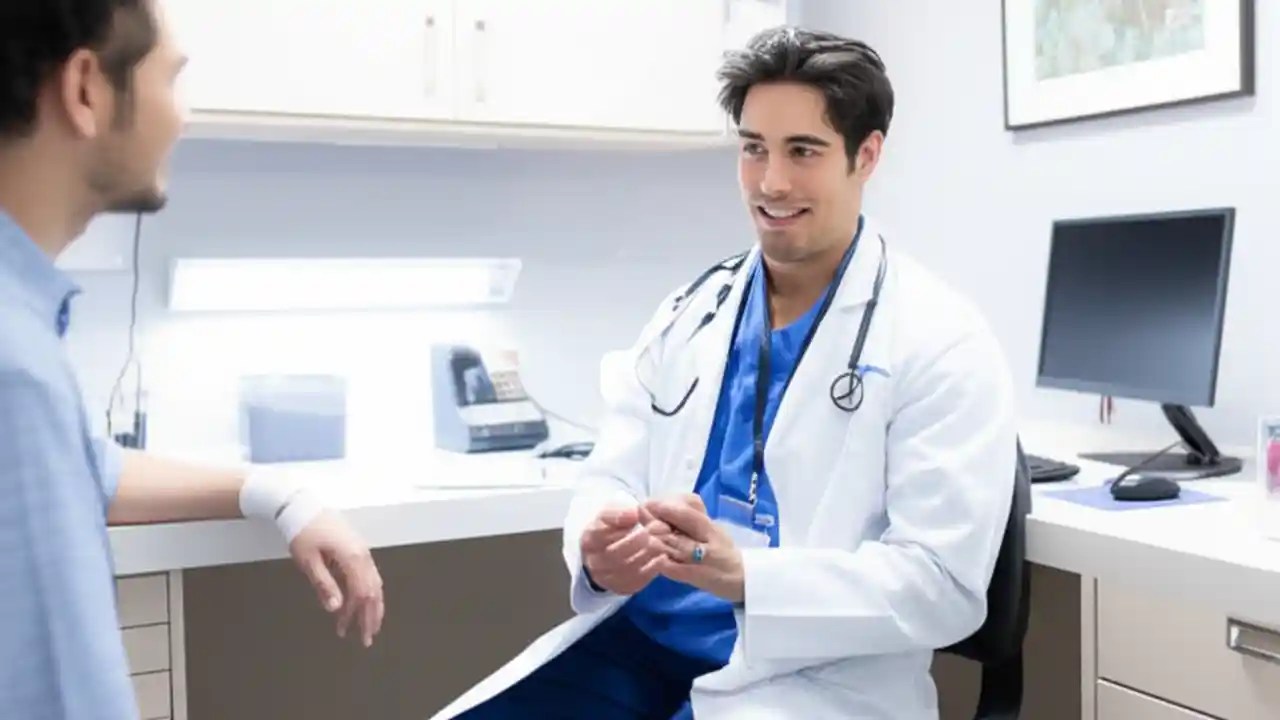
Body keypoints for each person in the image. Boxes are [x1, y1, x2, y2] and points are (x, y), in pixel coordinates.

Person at [432, 25, 1017, 720]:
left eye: (803, 151)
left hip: (805, 680)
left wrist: (745, 578)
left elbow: (941, 587)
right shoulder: (691, 312)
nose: (771, 183)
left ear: (867, 155)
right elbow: (612, 473)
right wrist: (598, 548)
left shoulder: (940, 339)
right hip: (639, 645)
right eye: (753, 149)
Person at [0, 1, 385, 717]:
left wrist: (276, 494)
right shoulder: (15, 368)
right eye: (169, 81)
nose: (181, 117)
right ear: (86, 89)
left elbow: (89, 468)